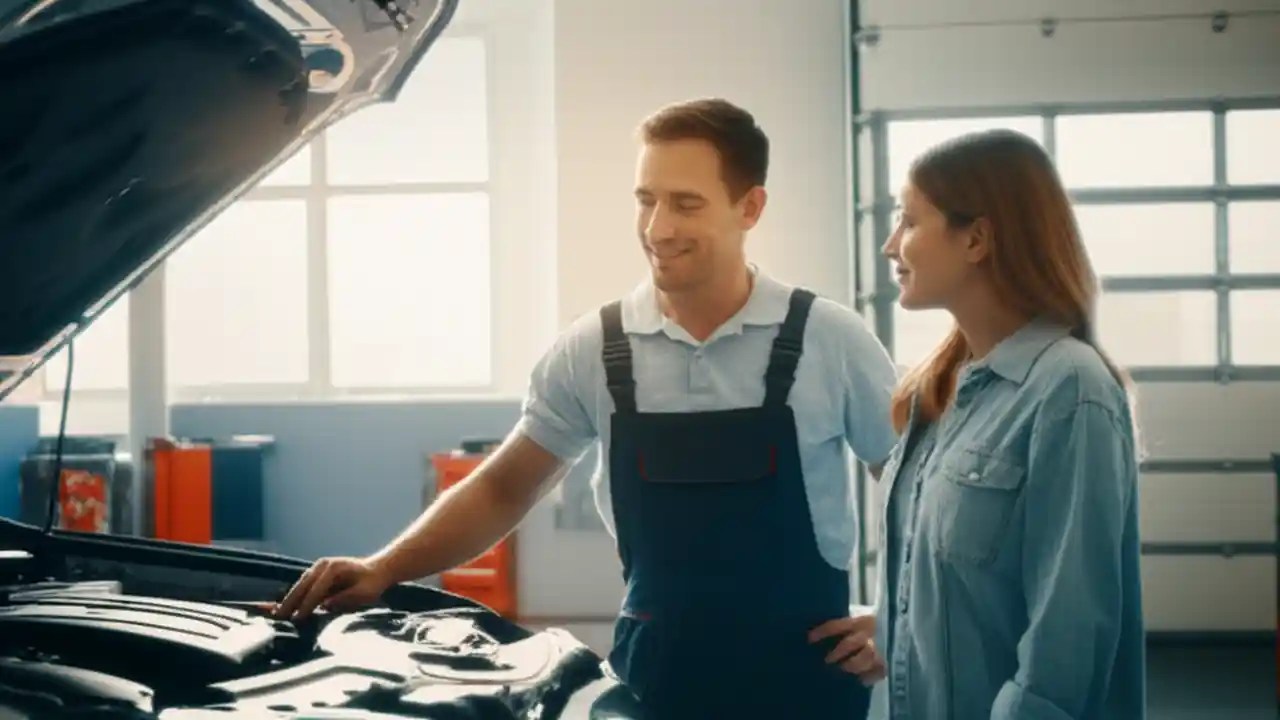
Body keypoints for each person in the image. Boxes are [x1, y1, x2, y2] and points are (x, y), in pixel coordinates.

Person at [273, 97, 901, 718]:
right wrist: (385, 567)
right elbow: (503, 489)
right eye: (646, 199)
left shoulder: (829, 340)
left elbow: (920, 494)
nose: (658, 228)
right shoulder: (594, 349)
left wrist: (899, 615)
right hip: (654, 678)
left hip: (804, 682)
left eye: (686, 203)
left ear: (750, 207)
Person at [871, 128, 1147, 719]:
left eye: (910, 221)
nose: (891, 245)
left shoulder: (1070, 391)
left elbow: (1065, 644)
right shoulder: (936, 391)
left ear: (977, 238)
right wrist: (893, 619)